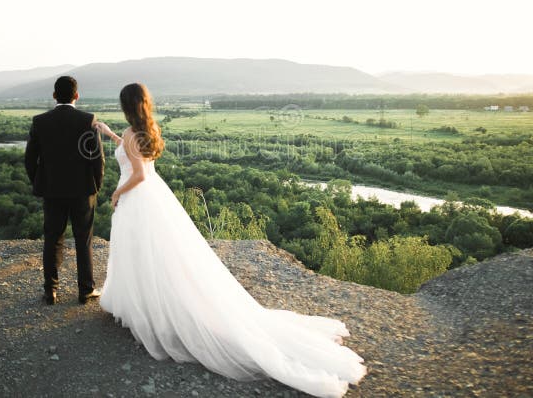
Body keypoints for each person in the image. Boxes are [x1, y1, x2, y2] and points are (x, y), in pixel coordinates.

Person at [94, 83, 366, 398]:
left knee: (142, 255)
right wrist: (109, 133)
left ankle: (152, 311)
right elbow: (132, 152)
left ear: (126, 106)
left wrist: (116, 192)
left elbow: (137, 174)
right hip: (155, 198)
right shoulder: (144, 131)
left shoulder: (132, 135)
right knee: (164, 256)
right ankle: (153, 305)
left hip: (138, 199)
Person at [24, 76, 105, 305]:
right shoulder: (87, 120)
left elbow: (30, 159)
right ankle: (85, 290)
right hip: (83, 191)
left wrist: (40, 183)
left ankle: (51, 291)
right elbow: (97, 159)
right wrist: (95, 186)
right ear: (76, 96)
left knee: (52, 238)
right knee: (83, 240)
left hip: (51, 191)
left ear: (54, 96)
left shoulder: (40, 121)